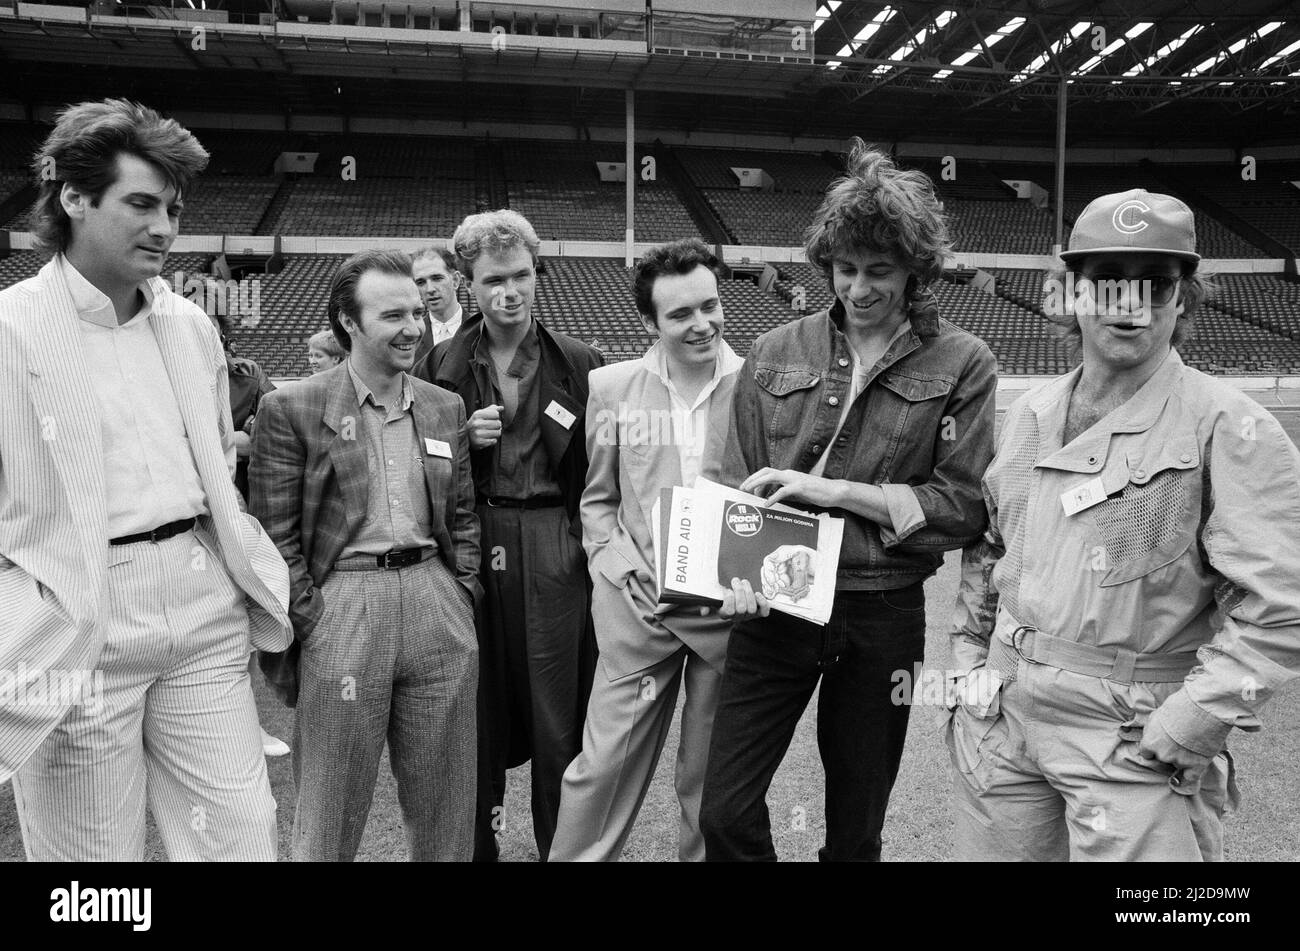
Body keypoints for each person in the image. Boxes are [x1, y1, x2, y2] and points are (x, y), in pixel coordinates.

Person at [947, 189, 1300, 861]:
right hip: (1005, 716)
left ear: (1182, 299)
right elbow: (988, 548)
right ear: (1075, 292)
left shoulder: (1227, 425)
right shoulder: (1031, 413)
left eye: (1157, 284)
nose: (1130, 305)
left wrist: (1197, 718)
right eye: (1108, 282)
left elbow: (1281, 605)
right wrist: (968, 665)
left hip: (1134, 737)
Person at [0, 98, 292, 861]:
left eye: (172, 207)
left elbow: (216, 473)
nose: (164, 226)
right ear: (73, 197)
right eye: (141, 203)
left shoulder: (192, 324)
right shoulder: (9, 329)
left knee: (242, 838)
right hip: (80, 612)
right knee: (94, 863)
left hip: (201, 601)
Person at [698, 139, 998, 862]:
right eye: (844, 269)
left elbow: (960, 508)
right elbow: (733, 480)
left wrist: (833, 490)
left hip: (882, 608)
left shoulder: (964, 362)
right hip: (773, 603)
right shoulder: (773, 348)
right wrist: (730, 574)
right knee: (723, 812)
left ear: (917, 272)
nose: (858, 289)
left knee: (855, 833)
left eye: (880, 272)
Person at [249, 249, 481, 861]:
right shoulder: (290, 407)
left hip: (436, 599)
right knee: (330, 811)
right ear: (348, 324)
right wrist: (313, 619)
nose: (412, 327)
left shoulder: (442, 405)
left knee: (446, 812)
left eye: (417, 312)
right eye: (392, 316)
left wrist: (462, 592)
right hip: (344, 605)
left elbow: (461, 515)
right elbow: (274, 536)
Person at [550, 239, 767, 862]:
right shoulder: (612, 387)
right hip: (638, 611)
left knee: (707, 786)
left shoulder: (760, 383)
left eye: (710, 305)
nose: (701, 324)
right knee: (599, 774)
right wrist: (611, 571)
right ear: (650, 323)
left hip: (726, 617)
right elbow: (596, 500)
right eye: (680, 315)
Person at [413, 209, 602, 861]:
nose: (510, 290)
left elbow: (601, 470)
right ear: (468, 283)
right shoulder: (440, 360)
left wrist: (587, 546)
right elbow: (416, 460)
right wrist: (459, 441)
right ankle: (477, 850)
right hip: (475, 536)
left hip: (556, 538)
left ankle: (564, 849)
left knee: (559, 720)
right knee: (475, 716)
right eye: (494, 278)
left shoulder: (578, 361)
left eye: (521, 274)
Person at [411, 246, 466, 364]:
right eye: (421, 282)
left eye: (437, 278)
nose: (429, 289)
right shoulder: (411, 336)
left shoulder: (482, 332)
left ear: (455, 280)